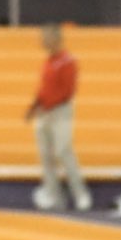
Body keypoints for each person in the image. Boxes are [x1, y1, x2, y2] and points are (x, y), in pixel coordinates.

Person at [25, 23, 92, 212]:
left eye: (46, 37)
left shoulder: (67, 61)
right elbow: (43, 88)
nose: (43, 41)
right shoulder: (47, 63)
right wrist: (35, 106)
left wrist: (49, 105)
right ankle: (55, 198)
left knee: (63, 151)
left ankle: (81, 194)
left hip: (60, 112)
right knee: (46, 156)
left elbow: (67, 91)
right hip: (44, 112)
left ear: (57, 38)